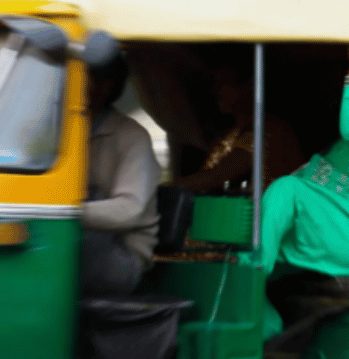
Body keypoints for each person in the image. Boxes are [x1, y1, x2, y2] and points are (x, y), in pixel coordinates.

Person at [254, 44, 349, 338]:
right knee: (270, 224)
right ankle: (264, 317)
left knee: (287, 190)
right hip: (335, 229)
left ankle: (250, 294)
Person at [81, 54, 161, 297]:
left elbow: (129, 211)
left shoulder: (131, 137)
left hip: (121, 256)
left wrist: (63, 213)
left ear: (103, 87)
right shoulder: (62, 131)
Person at [169, 66, 304, 193]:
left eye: (224, 83)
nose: (216, 91)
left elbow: (218, 175)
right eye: (216, 85)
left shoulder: (269, 129)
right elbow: (208, 174)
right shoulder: (229, 136)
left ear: (249, 86)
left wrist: (167, 186)